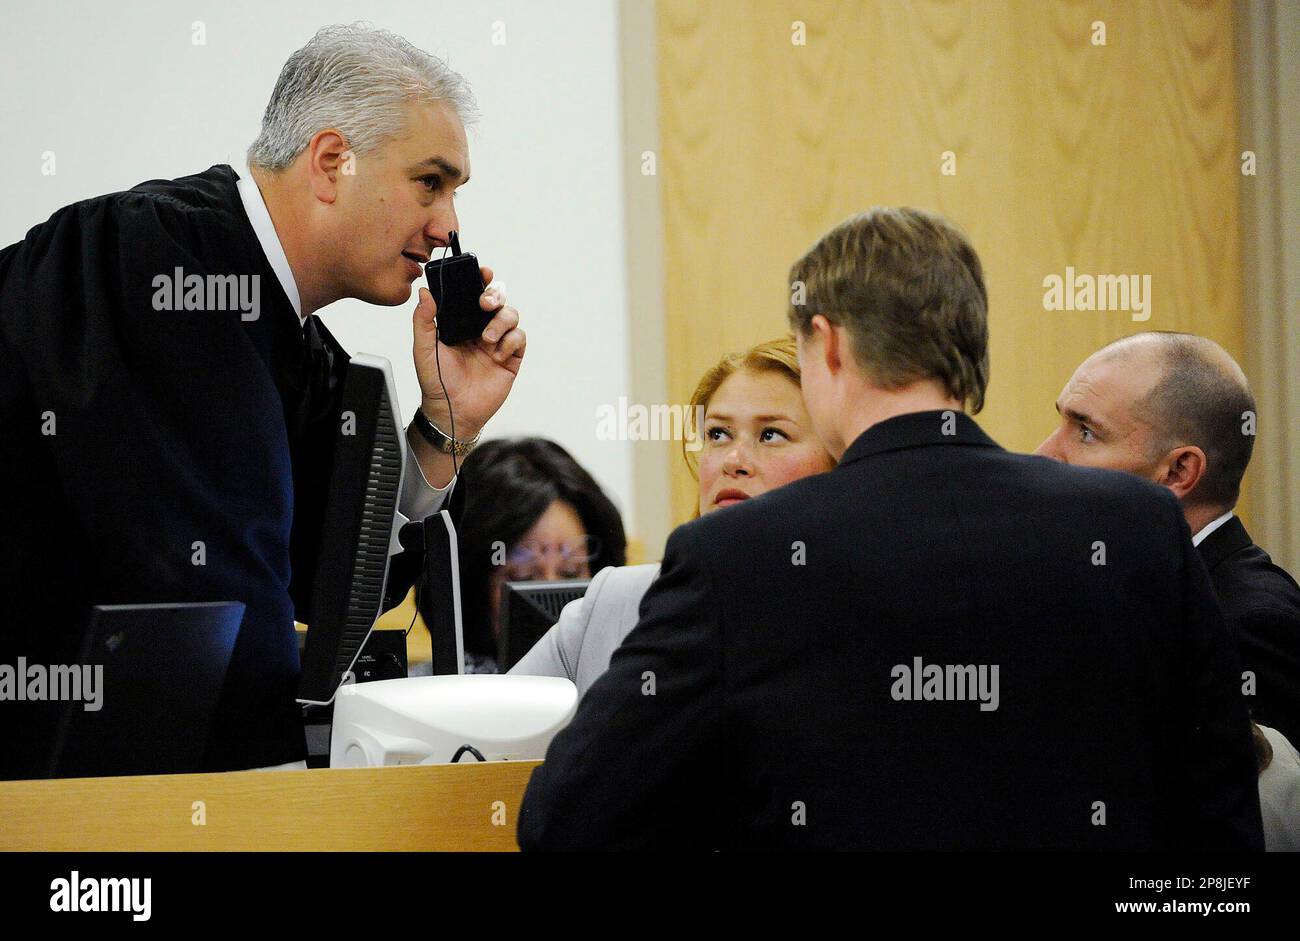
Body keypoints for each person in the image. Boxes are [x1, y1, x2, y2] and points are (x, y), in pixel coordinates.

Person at [517, 207, 1263, 851]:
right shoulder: (1138, 525)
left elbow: (568, 816)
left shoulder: (736, 557)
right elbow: (1222, 812)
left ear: (828, 344)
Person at [0, 25, 525, 777]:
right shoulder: (161, 260)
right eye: (430, 183)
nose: (449, 228)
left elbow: (331, 584)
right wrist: (278, 799)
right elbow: (209, 588)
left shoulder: (285, 333)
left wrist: (445, 422)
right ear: (332, 162)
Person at [509, 336, 836, 696]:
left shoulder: (862, 617)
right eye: (718, 434)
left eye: (771, 435)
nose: (733, 461)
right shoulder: (615, 604)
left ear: (837, 464)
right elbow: (488, 727)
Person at [1035, 332, 1300, 745]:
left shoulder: (1247, 624)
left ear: (1179, 472)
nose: (1043, 454)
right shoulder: (1132, 591)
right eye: (1062, 422)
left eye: (1086, 432)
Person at [417, 437, 627, 674]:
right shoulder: (432, 694)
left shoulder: (621, 681)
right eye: (523, 576)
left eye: (571, 573)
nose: (556, 607)